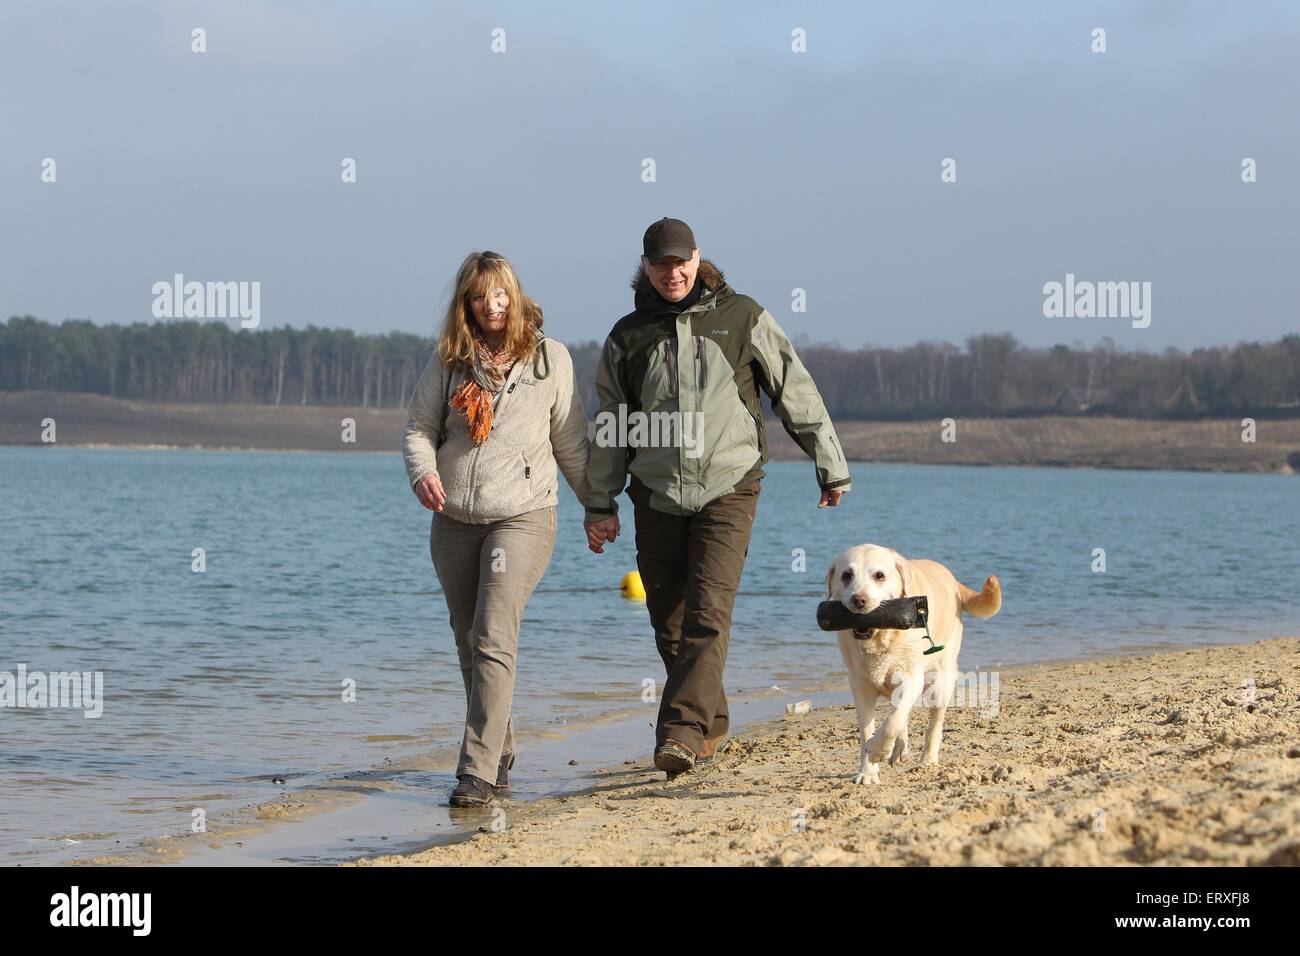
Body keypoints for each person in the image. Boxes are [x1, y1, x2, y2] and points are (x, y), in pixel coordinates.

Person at [583, 218, 851, 776]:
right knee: (669, 622)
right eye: (661, 264)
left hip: (730, 485)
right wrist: (601, 502)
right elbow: (610, 421)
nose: (672, 273)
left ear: (698, 258)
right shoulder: (626, 337)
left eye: (681, 262)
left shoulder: (742, 316)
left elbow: (793, 390)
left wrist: (829, 464)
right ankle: (712, 722)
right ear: (646, 267)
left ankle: (679, 732)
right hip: (654, 492)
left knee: (709, 611)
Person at [404, 250, 591, 807]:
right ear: (467, 301)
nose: (492, 305)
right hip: (455, 520)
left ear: (516, 295)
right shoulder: (449, 362)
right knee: (470, 644)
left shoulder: (548, 360)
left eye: (500, 294)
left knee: (492, 636)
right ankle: (500, 747)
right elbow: (418, 429)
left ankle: (477, 772)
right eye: (480, 296)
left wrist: (598, 509)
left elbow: (572, 443)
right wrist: (423, 472)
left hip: (524, 517)